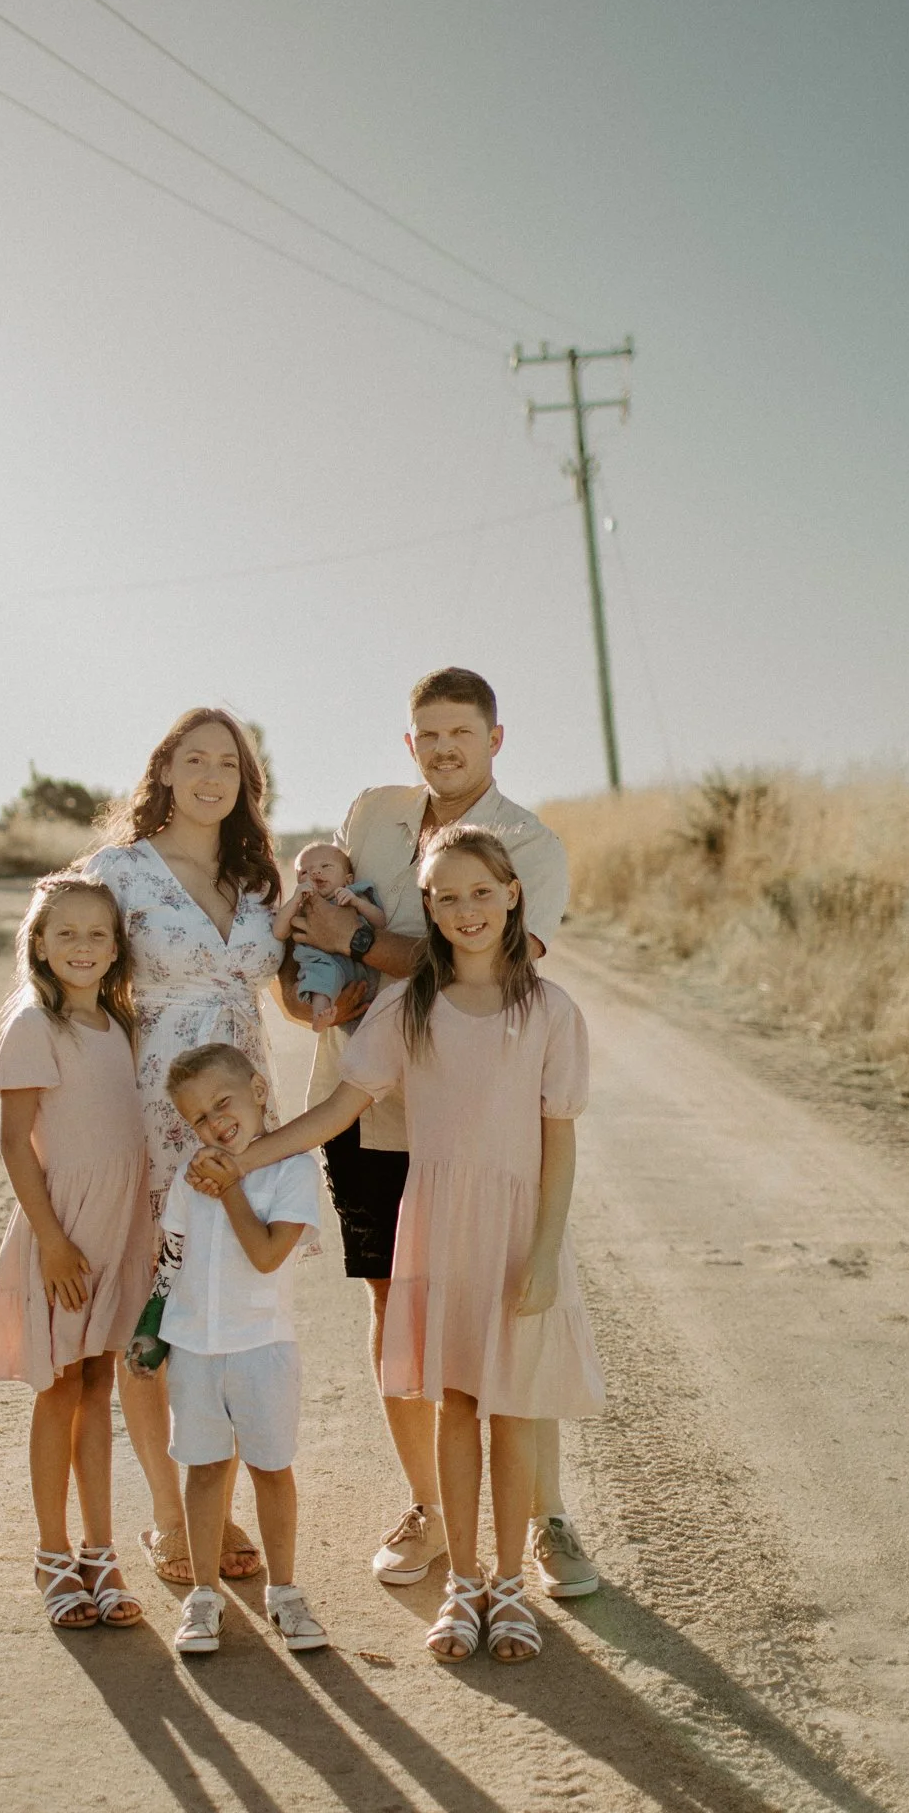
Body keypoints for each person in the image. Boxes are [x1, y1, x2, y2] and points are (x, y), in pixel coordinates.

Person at [192, 827, 603, 1663]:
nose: (465, 910)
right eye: (445, 897)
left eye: (480, 892)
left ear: (513, 894)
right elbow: (339, 1108)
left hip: (519, 1230)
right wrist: (250, 1153)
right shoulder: (408, 1005)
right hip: (439, 1221)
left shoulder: (550, 1010)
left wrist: (545, 1251)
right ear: (426, 907)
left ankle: (509, 1590)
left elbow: (558, 1141)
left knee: (514, 1408)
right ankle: (463, 1583)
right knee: (454, 1402)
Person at [279, 666, 599, 1598]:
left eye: (462, 732)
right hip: (367, 1096)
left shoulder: (532, 848)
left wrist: (354, 948)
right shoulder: (373, 813)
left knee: (511, 1311)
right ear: (407, 741)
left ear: (495, 739)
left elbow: (471, 964)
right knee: (394, 1305)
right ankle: (428, 1505)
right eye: (428, 733)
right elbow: (314, 922)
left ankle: (544, 1517)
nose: (444, 748)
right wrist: (307, 987)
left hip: (484, 1115)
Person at [84, 708, 286, 1587]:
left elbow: (309, 991)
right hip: (150, 1099)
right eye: (194, 759)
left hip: (246, 1103)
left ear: (247, 782)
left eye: (228, 765)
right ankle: (168, 1515)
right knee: (155, 1304)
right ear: (163, 770)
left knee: (225, 1303)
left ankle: (216, 1499)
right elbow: (60, 970)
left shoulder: (259, 879)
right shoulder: (116, 872)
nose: (211, 776)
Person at [0, 874, 153, 1631]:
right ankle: (52, 1552)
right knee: (59, 1389)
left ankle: (100, 1549)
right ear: (40, 945)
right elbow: (15, 1144)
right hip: (67, 1234)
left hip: (117, 1229)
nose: (83, 947)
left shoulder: (119, 1022)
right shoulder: (33, 1024)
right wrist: (51, 1241)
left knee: (97, 1388)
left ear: (115, 948)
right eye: (67, 934)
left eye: (97, 935)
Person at [127, 1042, 328, 1655]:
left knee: (270, 1467)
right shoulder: (193, 1174)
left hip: (261, 1347)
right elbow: (173, 1261)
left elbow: (268, 1256)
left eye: (224, 1104)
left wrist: (231, 1187)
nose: (215, 1125)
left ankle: (285, 1593)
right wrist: (152, 1329)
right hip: (195, 1348)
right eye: (200, 1119)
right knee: (206, 1466)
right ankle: (205, 1597)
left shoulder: (292, 1168)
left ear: (259, 1090)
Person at [271, 840, 386, 1030]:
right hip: (322, 960)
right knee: (322, 976)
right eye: (304, 872)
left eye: (326, 866)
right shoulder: (302, 906)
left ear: (348, 879)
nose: (315, 873)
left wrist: (357, 903)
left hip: (360, 966)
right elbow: (279, 931)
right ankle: (319, 1015)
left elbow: (380, 922)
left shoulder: (354, 895)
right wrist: (295, 900)